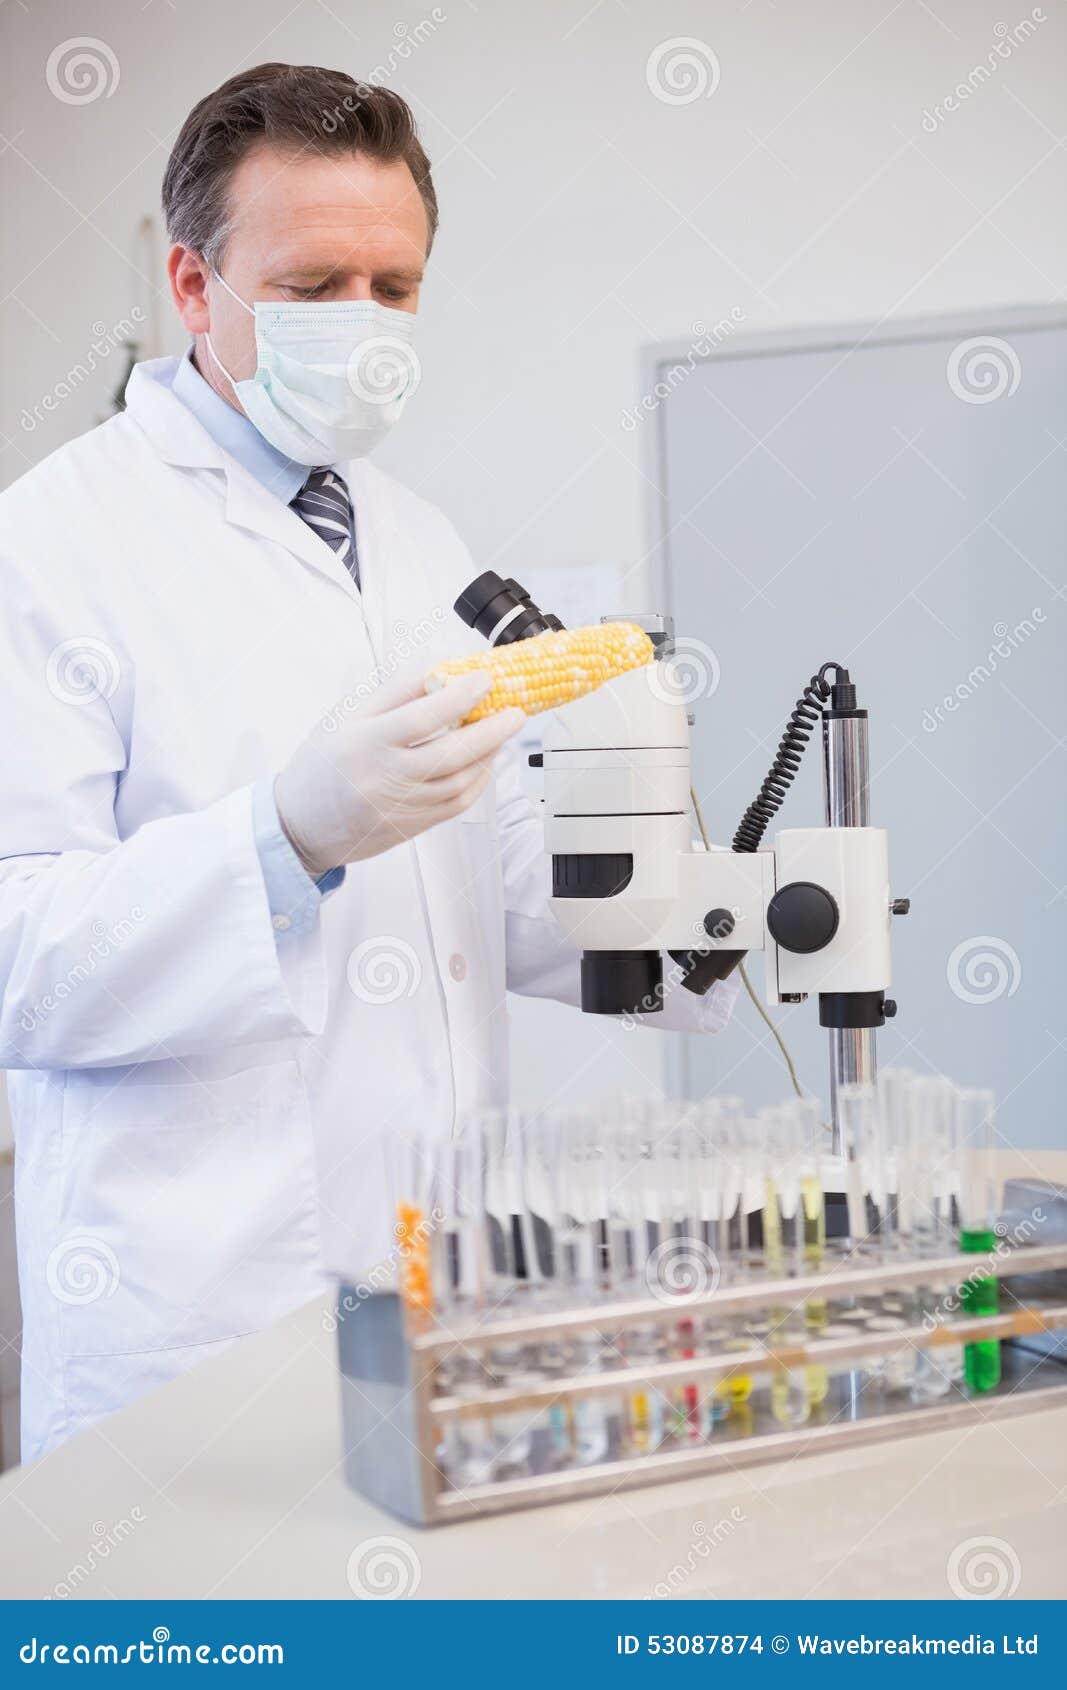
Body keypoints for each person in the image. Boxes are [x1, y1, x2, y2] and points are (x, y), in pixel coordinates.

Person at [0, 63, 736, 1462]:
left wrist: (694, 911)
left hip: (439, 1281)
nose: (368, 324)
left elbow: (499, 900)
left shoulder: (415, 536)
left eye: (395, 287)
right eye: (316, 282)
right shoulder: (48, 547)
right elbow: (16, 958)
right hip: (199, 1314)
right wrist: (281, 839)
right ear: (192, 285)